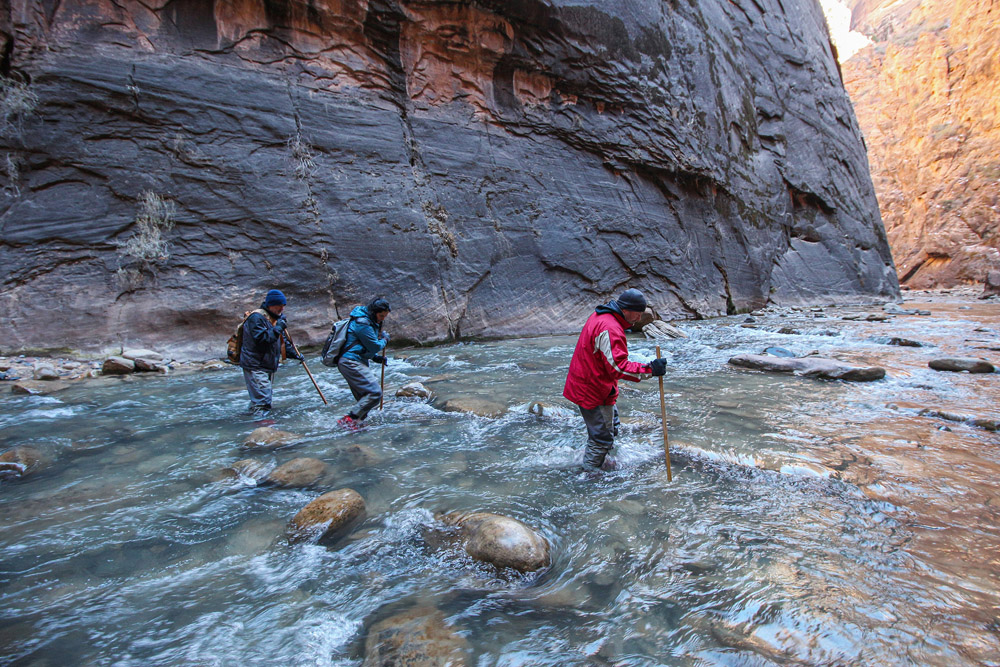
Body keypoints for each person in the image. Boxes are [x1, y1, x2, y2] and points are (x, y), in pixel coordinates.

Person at [563, 288, 667, 472]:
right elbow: (617, 367)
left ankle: (606, 462)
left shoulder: (602, 316)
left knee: (612, 424)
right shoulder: (610, 328)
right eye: (639, 313)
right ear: (626, 309)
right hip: (593, 390)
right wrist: (650, 369)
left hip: (589, 383)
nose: (640, 317)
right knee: (601, 439)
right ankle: (589, 477)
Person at [239, 289, 303, 418]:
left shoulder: (274, 318)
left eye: (283, 306)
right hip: (255, 364)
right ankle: (262, 427)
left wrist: (293, 354)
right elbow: (263, 340)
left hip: (266, 364)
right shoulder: (256, 318)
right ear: (270, 305)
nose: (281, 309)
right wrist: (278, 327)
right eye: (279, 306)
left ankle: (250, 422)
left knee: (261, 397)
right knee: (263, 398)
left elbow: (281, 341)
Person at [336, 298, 391, 430]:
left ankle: (356, 424)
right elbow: (373, 345)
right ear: (373, 312)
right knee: (375, 393)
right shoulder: (363, 323)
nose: (382, 319)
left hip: (352, 360)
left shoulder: (366, 321)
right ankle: (349, 420)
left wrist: (375, 358)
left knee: (364, 399)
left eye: (384, 316)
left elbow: (360, 345)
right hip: (351, 362)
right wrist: (385, 340)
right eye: (380, 315)